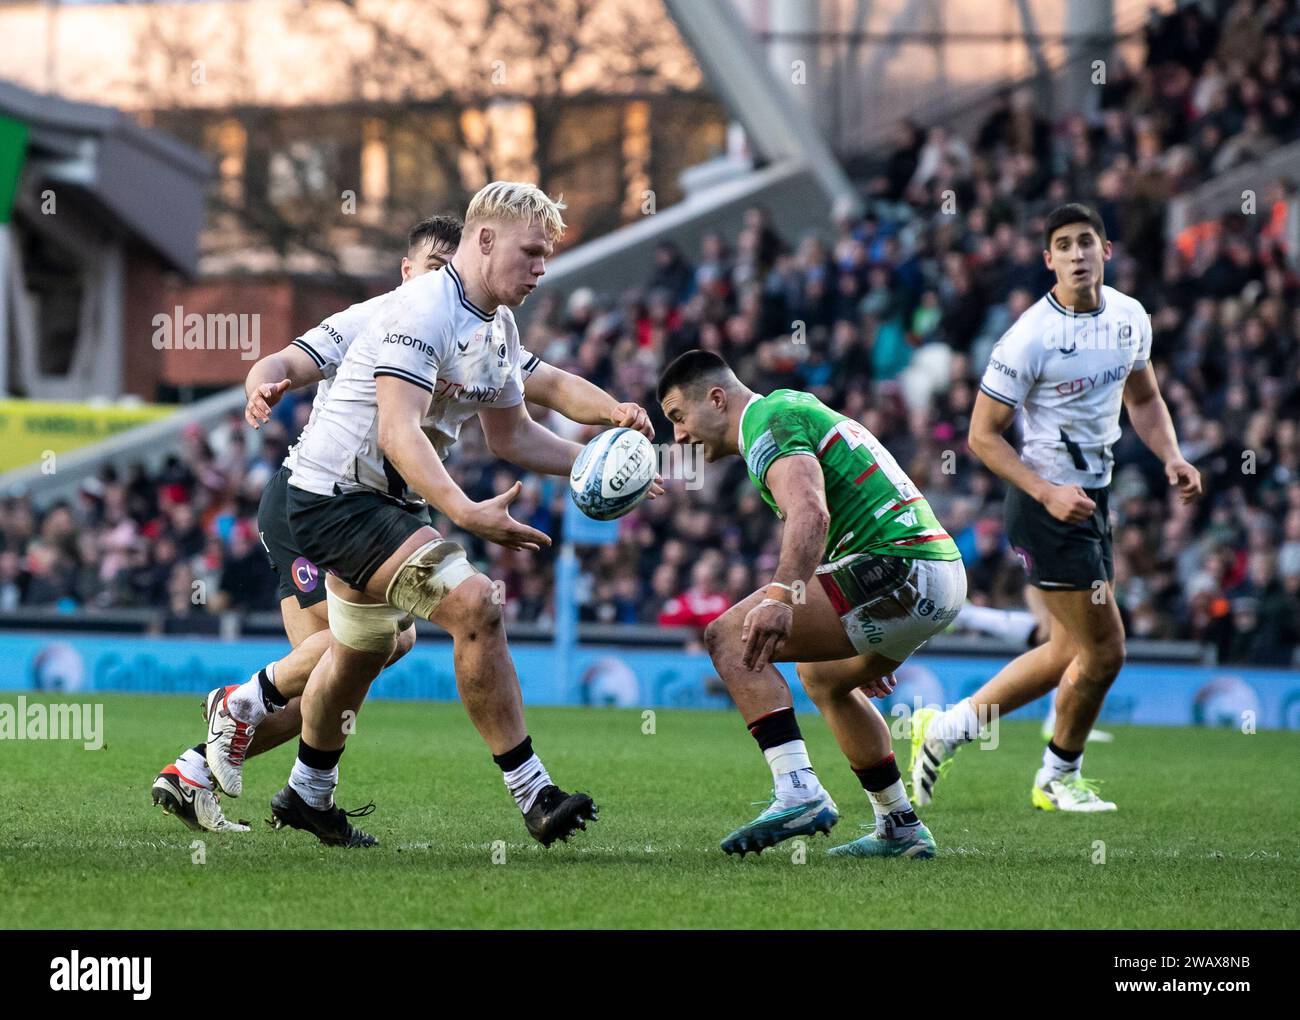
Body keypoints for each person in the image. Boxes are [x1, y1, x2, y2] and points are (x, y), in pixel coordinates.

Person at [269, 181, 658, 848]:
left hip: (382, 501)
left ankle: (304, 790)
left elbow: (514, 436)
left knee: (363, 650)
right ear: (483, 241)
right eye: (531, 252)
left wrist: (591, 461)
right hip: (335, 498)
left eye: (546, 256)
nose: (542, 268)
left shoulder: (494, 324)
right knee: (476, 603)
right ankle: (534, 793)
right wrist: (467, 512)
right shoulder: (421, 308)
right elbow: (398, 433)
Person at [151, 215, 463, 832]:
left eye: (455, 273)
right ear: (407, 273)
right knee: (358, 649)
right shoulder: (371, 319)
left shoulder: (469, 336)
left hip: (374, 512)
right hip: (315, 505)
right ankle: (243, 709)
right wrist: (262, 386)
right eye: (434, 268)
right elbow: (282, 360)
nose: (444, 284)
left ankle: (194, 769)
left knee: (340, 672)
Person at [911, 203, 1202, 812]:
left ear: (1106, 251)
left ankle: (947, 729)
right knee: (1105, 649)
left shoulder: (1129, 318)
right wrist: (1046, 491)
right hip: (1044, 502)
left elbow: (1143, 398)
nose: (1076, 254)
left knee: (1071, 648)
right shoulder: (1029, 336)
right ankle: (1055, 777)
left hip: (1091, 498)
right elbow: (981, 436)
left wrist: (1172, 455)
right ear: (1049, 260)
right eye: (1063, 245)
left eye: (1085, 242)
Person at [658, 350, 966, 860]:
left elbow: (811, 513)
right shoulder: (788, 409)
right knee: (824, 678)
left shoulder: (765, 422)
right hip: (939, 572)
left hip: (898, 565)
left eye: (678, 417)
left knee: (729, 637)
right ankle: (900, 824)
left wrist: (781, 597)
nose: (680, 437)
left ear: (716, 399)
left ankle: (797, 790)